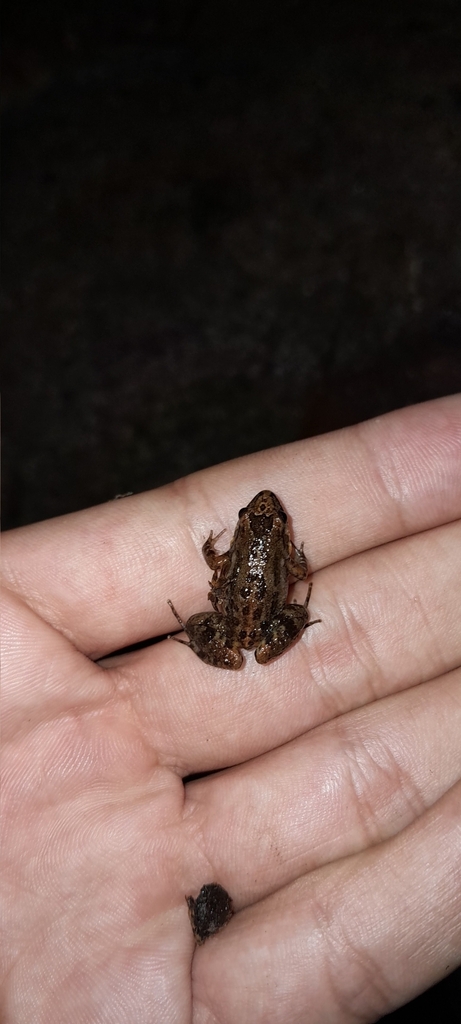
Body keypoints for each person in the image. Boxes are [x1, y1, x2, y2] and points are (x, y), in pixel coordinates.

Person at [2, 395, 460, 1023]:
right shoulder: (283, 551)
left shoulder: (235, 547)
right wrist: (294, 591)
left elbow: (215, 563)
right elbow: (296, 572)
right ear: (257, 527)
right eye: (257, 515)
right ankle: (247, 635)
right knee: (273, 622)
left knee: (200, 622)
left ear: (245, 528)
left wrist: (223, 568)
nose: (264, 516)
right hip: (266, 621)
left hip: (231, 619)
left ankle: (202, 639)